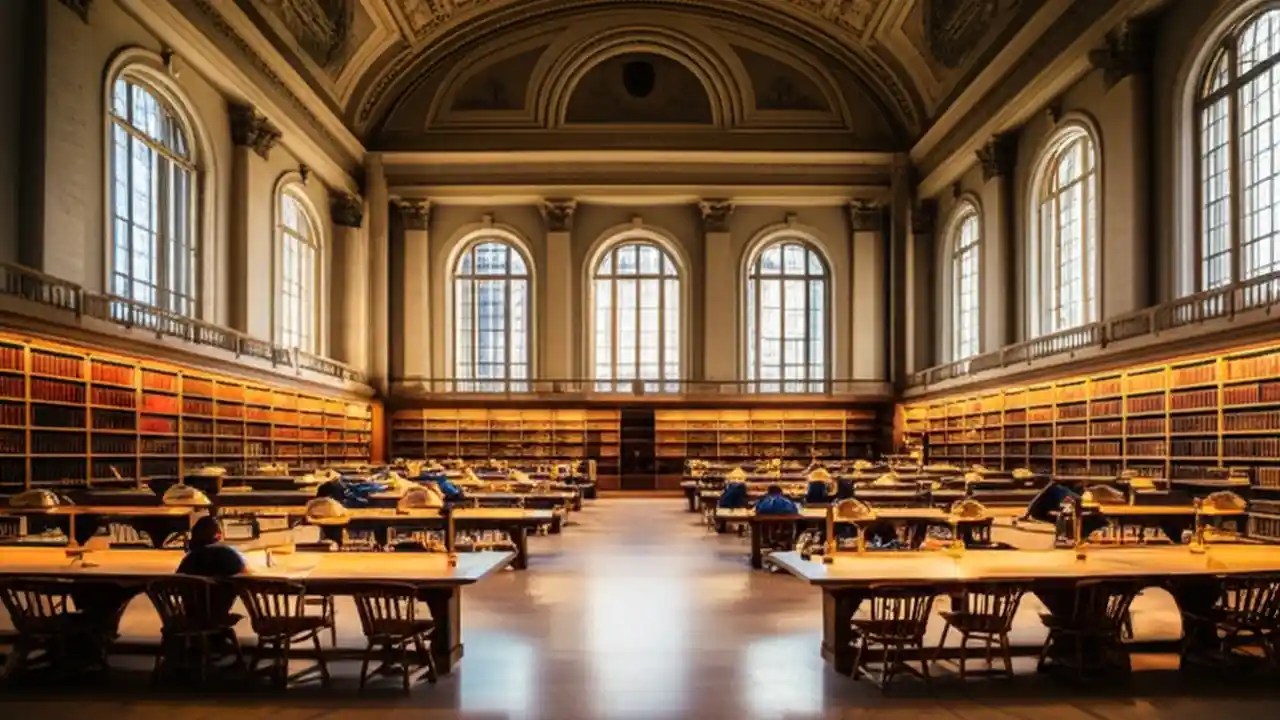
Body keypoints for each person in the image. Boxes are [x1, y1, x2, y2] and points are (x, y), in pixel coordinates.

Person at [177, 516, 247, 620]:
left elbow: (176, 583)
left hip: (189, 616)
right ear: (218, 535)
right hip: (217, 615)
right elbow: (246, 579)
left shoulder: (190, 559)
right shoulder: (228, 554)